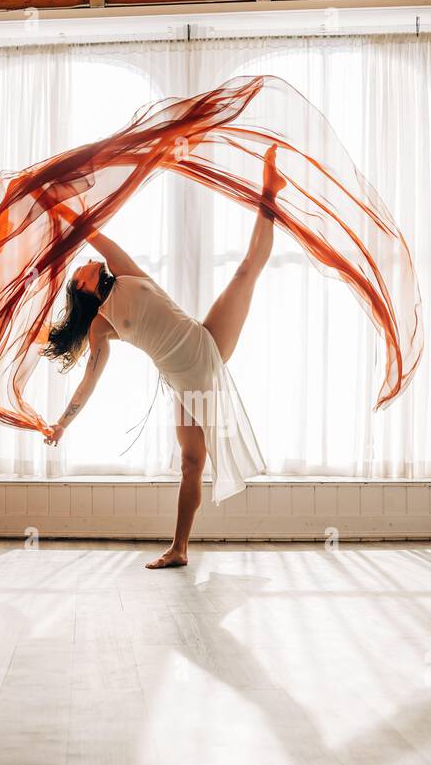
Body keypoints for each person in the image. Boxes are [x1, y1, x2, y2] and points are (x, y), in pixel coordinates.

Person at [41, 146, 286, 569]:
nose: (86, 262)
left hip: (204, 343)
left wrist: (56, 205)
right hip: (183, 380)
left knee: (246, 271)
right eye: (79, 269)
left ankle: (269, 191)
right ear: (81, 290)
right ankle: (180, 549)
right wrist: (62, 423)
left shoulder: (126, 273)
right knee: (192, 463)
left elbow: (93, 232)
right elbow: (89, 383)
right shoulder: (101, 325)